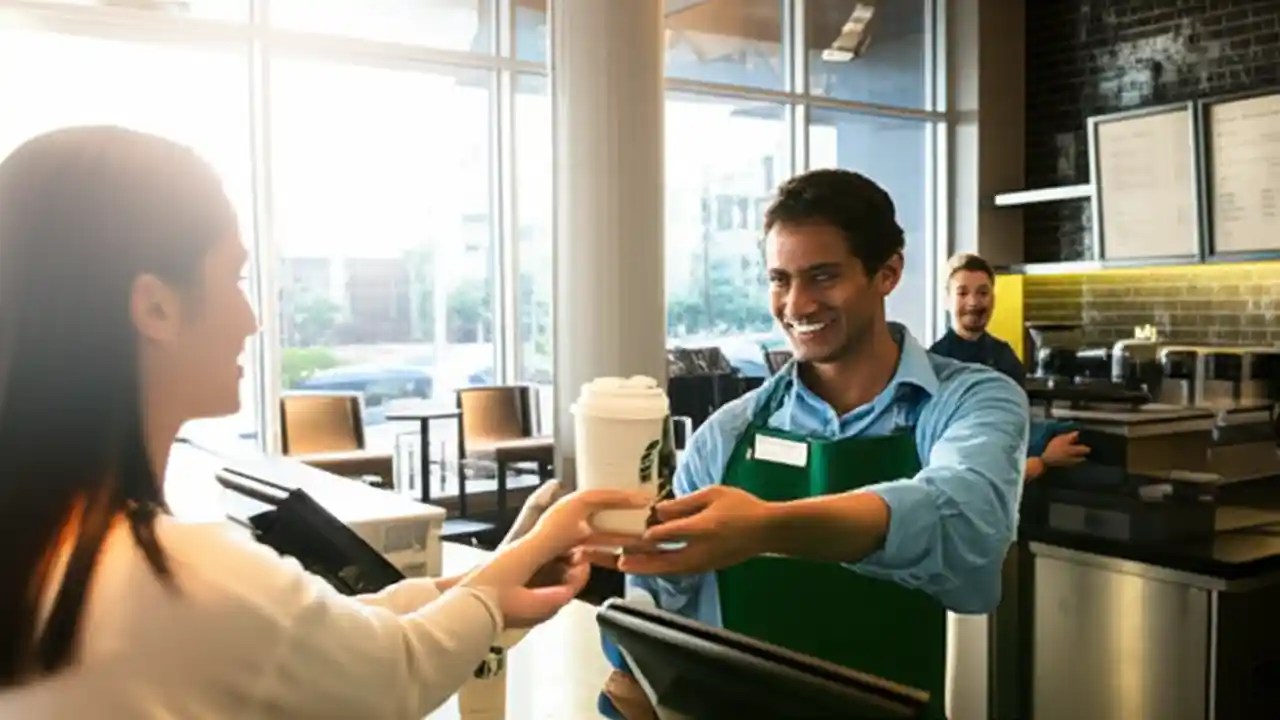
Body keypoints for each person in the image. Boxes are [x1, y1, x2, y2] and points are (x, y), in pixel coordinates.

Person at [0, 126, 648, 719]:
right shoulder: (179, 576)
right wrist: (532, 552)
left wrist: (493, 575)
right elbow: (393, 672)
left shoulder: (52, 554)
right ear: (156, 307)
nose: (251, 320)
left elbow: (322, 635)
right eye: (236, 277)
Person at [593, 169, 1029, 718]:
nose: (796, 304)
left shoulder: (969, 400)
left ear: (888, 272)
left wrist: (765, 527)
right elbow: (658, 599)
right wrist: (625, 645)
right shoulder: (728, 433)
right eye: (780, 279)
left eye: (823, 276)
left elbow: (965, 530)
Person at [930, 252, 1089, 480]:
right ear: (946, 300)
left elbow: (1019, 424)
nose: (974, 302)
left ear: (993, 298)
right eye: (962, 293)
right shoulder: (936, 364)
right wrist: (1042, 461)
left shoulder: (1003, 355)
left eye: (983, 293)